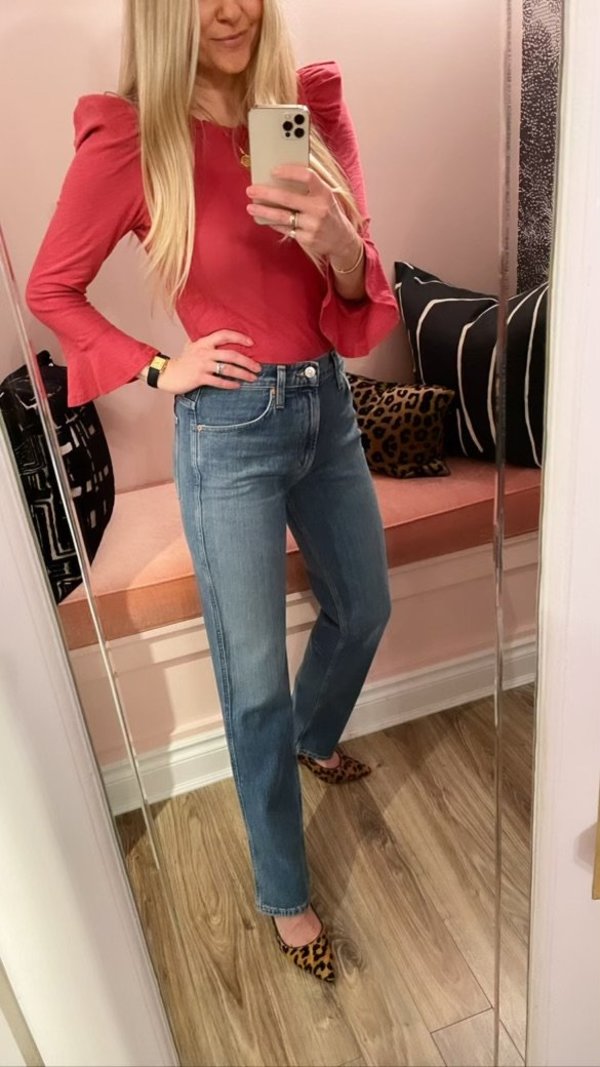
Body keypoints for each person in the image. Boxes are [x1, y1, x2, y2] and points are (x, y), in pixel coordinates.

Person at [25, 0, 400, 984]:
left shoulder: (304, 107)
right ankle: (284, 890)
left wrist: (341, 241)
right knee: (253, 678)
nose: (230, 8)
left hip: (328, 407)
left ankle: (316, 734)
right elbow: (50, 287)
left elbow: (359, 297)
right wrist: (161, 367)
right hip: (229, 430)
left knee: (365, 606)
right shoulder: (135, 136)